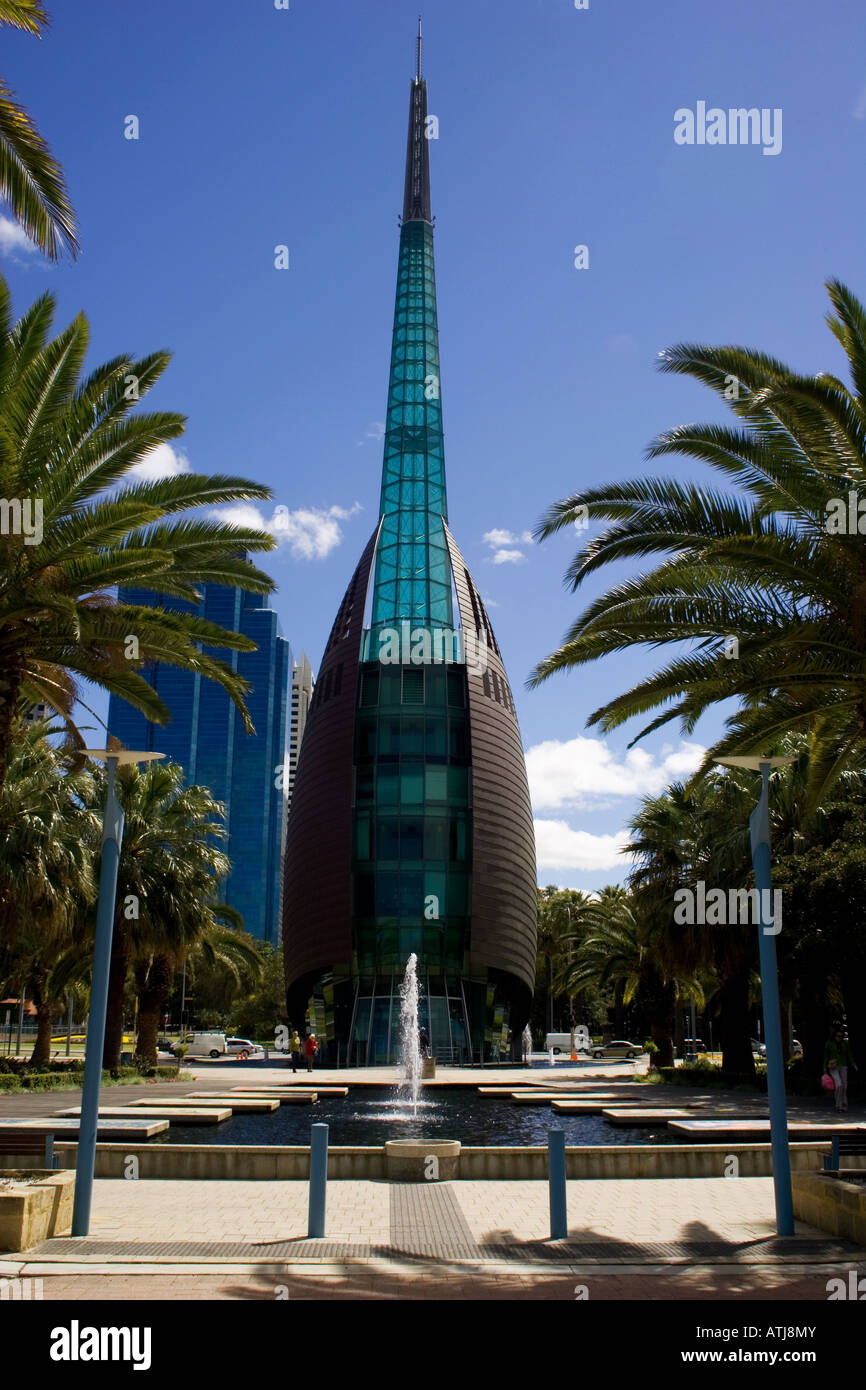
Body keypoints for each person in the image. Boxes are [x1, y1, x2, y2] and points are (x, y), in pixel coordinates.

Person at [824, 1026, 857, 1113]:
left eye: (841, 1036)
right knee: (839, 1085)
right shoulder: (829, 1043)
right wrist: (824, 1067)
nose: (839, 1038)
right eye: (838, 1036)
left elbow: (849, 1054)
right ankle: (838, 1105)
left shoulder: (845, 1044)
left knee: (844, 1086)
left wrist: (853, 1064)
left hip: (843, 1065)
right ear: (834, 1036)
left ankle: (844, 1105)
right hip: (833, 1066)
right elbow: (826, 1056)